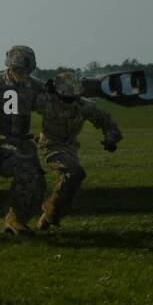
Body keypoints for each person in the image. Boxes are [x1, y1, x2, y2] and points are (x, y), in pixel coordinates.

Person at [34, 71, 122, 230]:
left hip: (70, 148)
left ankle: (50, 214)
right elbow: (22, 103)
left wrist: (111, 138)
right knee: (74, 173)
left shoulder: (85, 106)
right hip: (50, 145)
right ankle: (50, 213)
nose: (69, 100)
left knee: (71, 180)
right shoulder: (46, 102)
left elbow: (107, 122)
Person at [0, 46, 47, 236]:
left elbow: (51, 108)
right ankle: (15, 221)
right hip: (1, 142)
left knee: (38, 184)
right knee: (26, 172)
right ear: (9, 67)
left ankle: (16, 219)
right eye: (18, 70)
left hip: (23, 143)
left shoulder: (36, 86)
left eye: (26, 71)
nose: (22, 74)